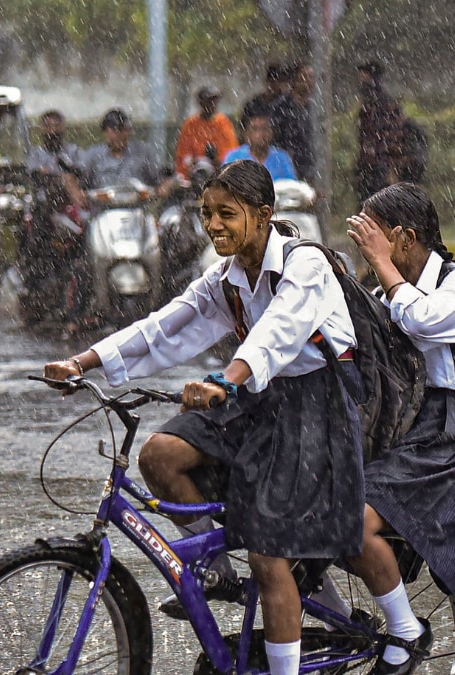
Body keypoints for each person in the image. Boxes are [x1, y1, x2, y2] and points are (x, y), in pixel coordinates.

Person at [43, 160, 379, 675]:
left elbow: (279, 332)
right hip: (259, 398)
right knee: (160, 456)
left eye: (227, 213)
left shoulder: (304, 265)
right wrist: (81, 362)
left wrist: (227, 379)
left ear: (264, 216)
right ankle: (215, 571)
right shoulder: (224, 279)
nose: (213, 224)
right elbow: (161, 328)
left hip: (318, 405)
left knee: (270, 549)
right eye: (206, 214)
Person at [345, 182, 455, 675]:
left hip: (452, 433)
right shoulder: (382, 289)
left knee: (355, 519)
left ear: (405, 239)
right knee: (313, 501)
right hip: (402, 426)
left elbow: (420, 322)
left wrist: (382, 268)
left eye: (374, 237)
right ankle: (343, 619)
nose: (366, 247)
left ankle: (406, 632)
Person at [354, 61, 427, 202]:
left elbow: (385, 140)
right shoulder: (376, 104)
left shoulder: (378, 105)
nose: (360, 81)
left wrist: (389, 168)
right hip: (374, 169)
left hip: (377, 170)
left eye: (363, 76)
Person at [79, 108, 172, 197]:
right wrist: (78, 193)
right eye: (113, 130)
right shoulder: (93, 155)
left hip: (138, 209)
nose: (118, 135)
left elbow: (163, 176)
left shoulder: (143, 152)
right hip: (103, 210)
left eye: (122, 130)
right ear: (105, 132)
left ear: (128, 131)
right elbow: (75, 178)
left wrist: (164, 187)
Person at [173, 86, 239, 179]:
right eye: (208, 100)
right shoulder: (190, 124)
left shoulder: (223, 122)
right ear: (200, 103)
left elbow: (231, 152)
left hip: (220, 175)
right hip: (194, 175)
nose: (211, 104)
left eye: (214, 100)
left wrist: (216, 161)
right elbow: (183, 156)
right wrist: (196, 161)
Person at [271, 64, 316, 183]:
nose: (309, 82)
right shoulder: (281, 107)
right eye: (304, 78)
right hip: (287, 167)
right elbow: (276, 138)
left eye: (312, 77)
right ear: (294, 81)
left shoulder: (311, 107)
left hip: (307, 167)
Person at [223, 112, 298, 181]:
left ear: (271, 132)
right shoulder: (234, 157)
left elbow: (291, 185)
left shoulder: (281, 157)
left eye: (265, 128)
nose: (260, 134)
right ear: (246, 134)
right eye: (254, 129)